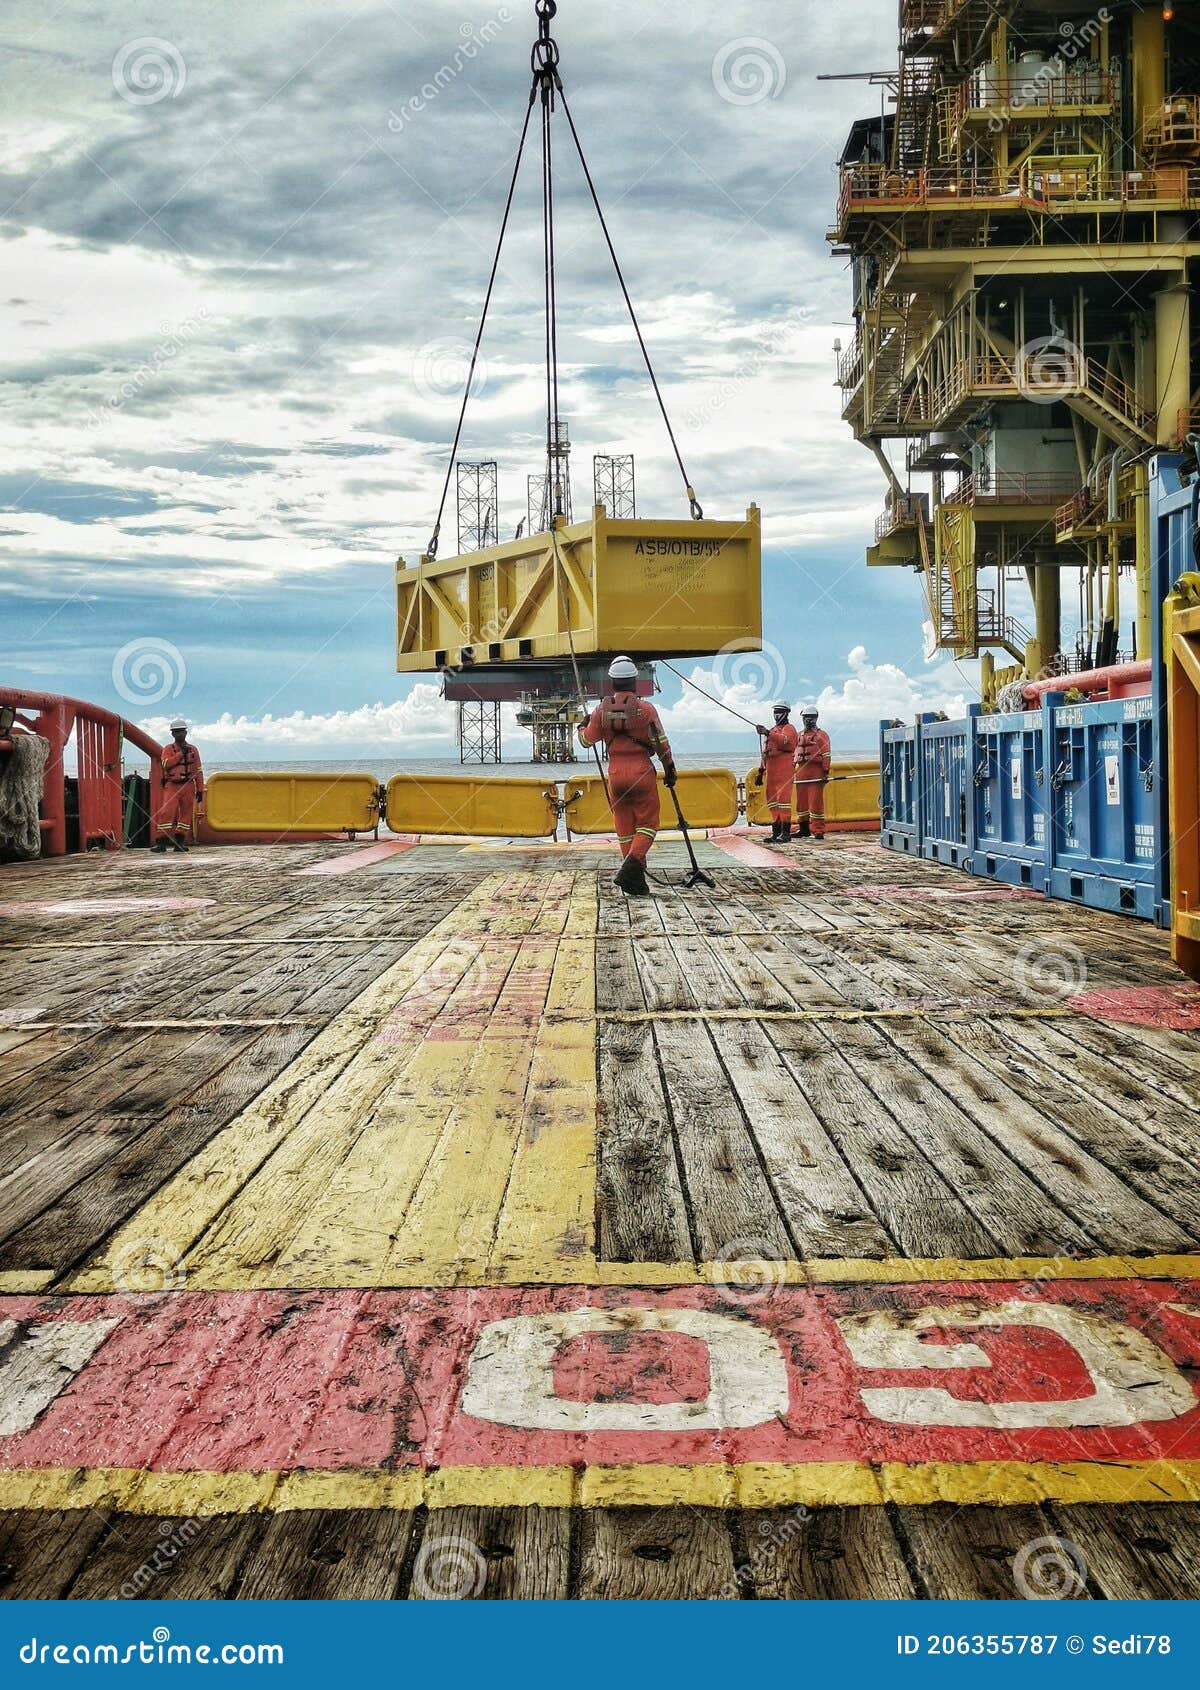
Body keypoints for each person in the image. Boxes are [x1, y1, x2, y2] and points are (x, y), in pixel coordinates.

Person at [579, 655, 677, 898]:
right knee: (649, 825)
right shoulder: (646, 710)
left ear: (612, 682)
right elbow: (661, 744)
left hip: (615, 775)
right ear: (634, 681)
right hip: (640, 772)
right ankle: (631, 866)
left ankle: (635, 880)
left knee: (624, 828)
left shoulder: (601, 711)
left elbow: (585, 741)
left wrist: (582, 726)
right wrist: (670, 769)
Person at [152, 718, 204, 853]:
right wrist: (181, 754)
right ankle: (161, 843)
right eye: (177, 732)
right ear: (173, 734)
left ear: (186, 733)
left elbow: (198, 770)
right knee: (166, 813)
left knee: (186, 814)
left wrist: (200, 789)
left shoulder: (193, 749)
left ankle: (180, 842)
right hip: (172, 785)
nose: (180, 734)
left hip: (188, 785)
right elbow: (165, 764)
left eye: (182, 731)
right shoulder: (168, 749)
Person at [755, 700, 798, 842]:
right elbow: (765, 753)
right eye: (775, 711)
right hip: (771, 772)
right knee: (772, 801)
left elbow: (786, 742)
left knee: (784, 801)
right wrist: (760, 771)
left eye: (779, 711)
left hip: (784, 770)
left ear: (786, 713)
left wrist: (767, 732)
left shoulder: (789, 729)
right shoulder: (772, 731)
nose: (776, 714)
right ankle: (776, 832)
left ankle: (785, 833)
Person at [794, 705, 832, 841]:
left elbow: (826, 754)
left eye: (810, 717)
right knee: (801, 803)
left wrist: (826, 771)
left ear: (816, 718)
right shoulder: (798, 736)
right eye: (805, 717)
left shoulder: (822, 735)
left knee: (816, 804)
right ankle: (803, 829)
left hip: (816, 773)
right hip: (801, 773)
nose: (808, 720)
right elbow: (793, 755)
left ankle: (818, 830)